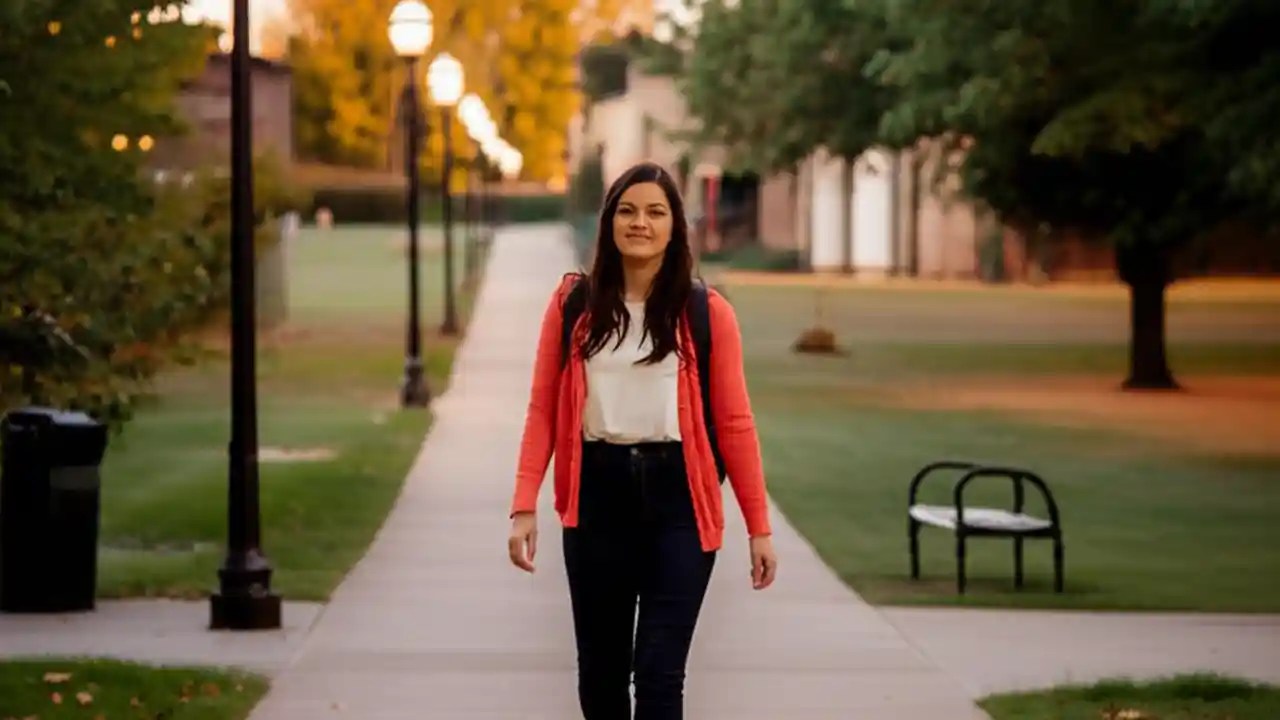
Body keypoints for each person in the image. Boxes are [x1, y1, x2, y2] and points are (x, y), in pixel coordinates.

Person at [507, 161, 778, 720]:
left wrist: (759, 527)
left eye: (656, 212)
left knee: (659, 678)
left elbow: (734, 424)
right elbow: (541, 411)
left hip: (679, 504)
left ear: (675, 227)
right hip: (598, 501)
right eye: (627, 210)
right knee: (601, 681)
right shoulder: (573, 308)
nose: (640, 223)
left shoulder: (707, 314)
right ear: (609, 222)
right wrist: (523, 505)